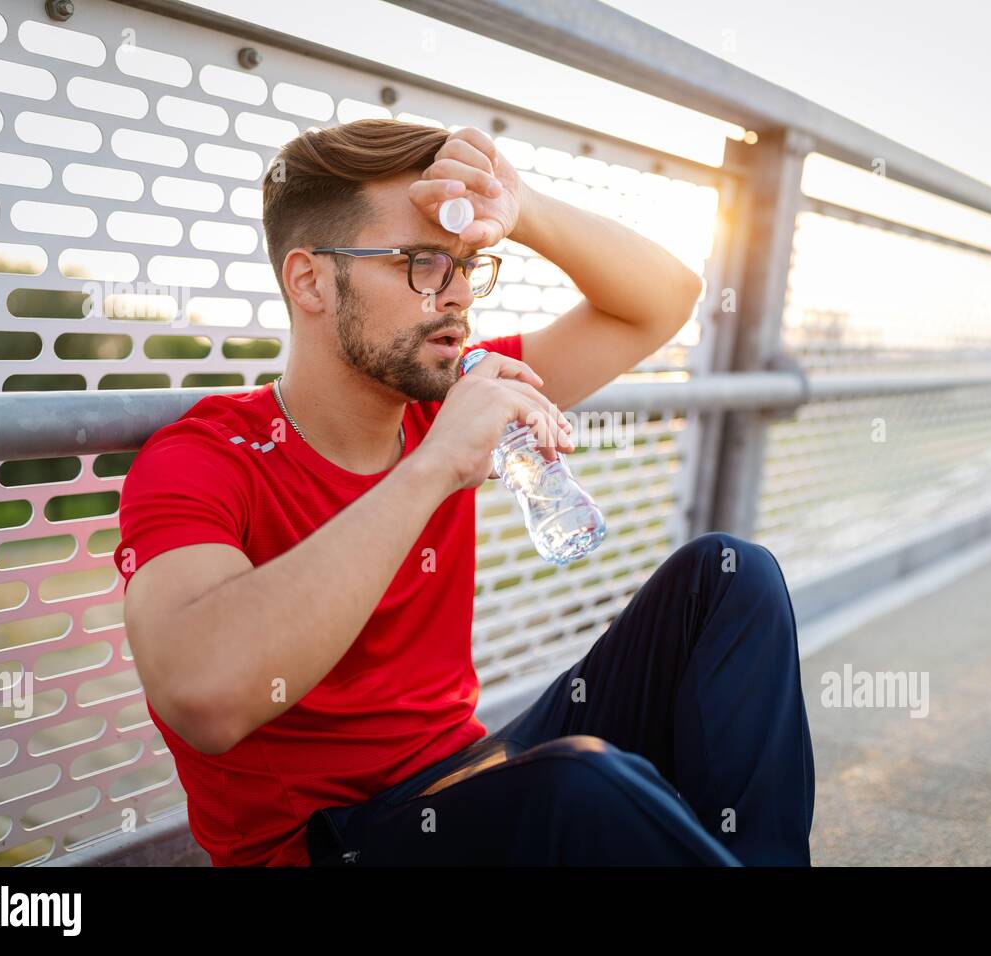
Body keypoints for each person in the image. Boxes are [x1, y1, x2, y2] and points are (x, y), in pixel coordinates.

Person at [115, 118, 814, 866]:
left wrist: (522, 203)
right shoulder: (206, 456)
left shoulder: (442, 391)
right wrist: (434, 467)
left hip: (463, 778)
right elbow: (203, 697)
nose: (454, 296)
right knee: (582, 786)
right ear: (310, 279)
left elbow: (661, 299)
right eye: (420, 263)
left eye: (465, 265)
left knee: (730, 579)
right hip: (330, 847)